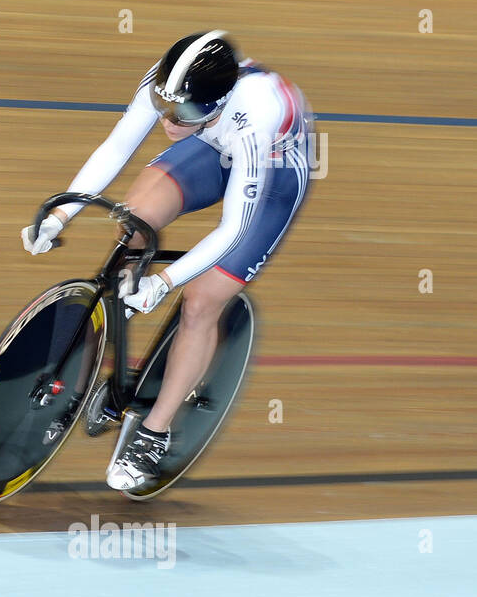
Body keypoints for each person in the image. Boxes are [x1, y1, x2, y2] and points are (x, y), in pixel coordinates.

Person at [21, 30, 314, 493]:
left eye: (185, 113)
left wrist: (163, 283)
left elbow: (233, 229)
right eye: (165, 107)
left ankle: (155, 432)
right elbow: (116, 149)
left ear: (216, 103)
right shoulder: (171, 89)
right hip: (211, 144)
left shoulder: (256, 113)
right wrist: (61, 214)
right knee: (134, 220)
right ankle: (91, 372)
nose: (170, 121)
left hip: (271, 172)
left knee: (200, 300)